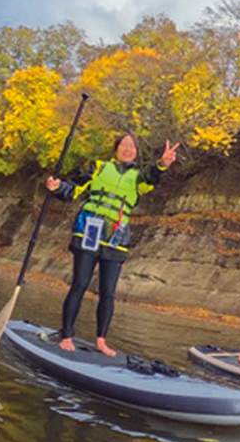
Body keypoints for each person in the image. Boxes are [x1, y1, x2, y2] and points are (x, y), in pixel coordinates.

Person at [45, 133, 178, 356]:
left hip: (117, 236)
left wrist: (163, 164)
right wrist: (57, 187)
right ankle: (67, 335)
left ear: (136, 152)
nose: (127, 149)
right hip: (90, 229)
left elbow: (152, 177)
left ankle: (101, 340)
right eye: (123, 145)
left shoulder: (138, 177)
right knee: (80, 283)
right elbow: (74, 189)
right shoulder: (97, 167)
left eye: (132, 146)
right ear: (115, 148)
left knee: (108, 292)